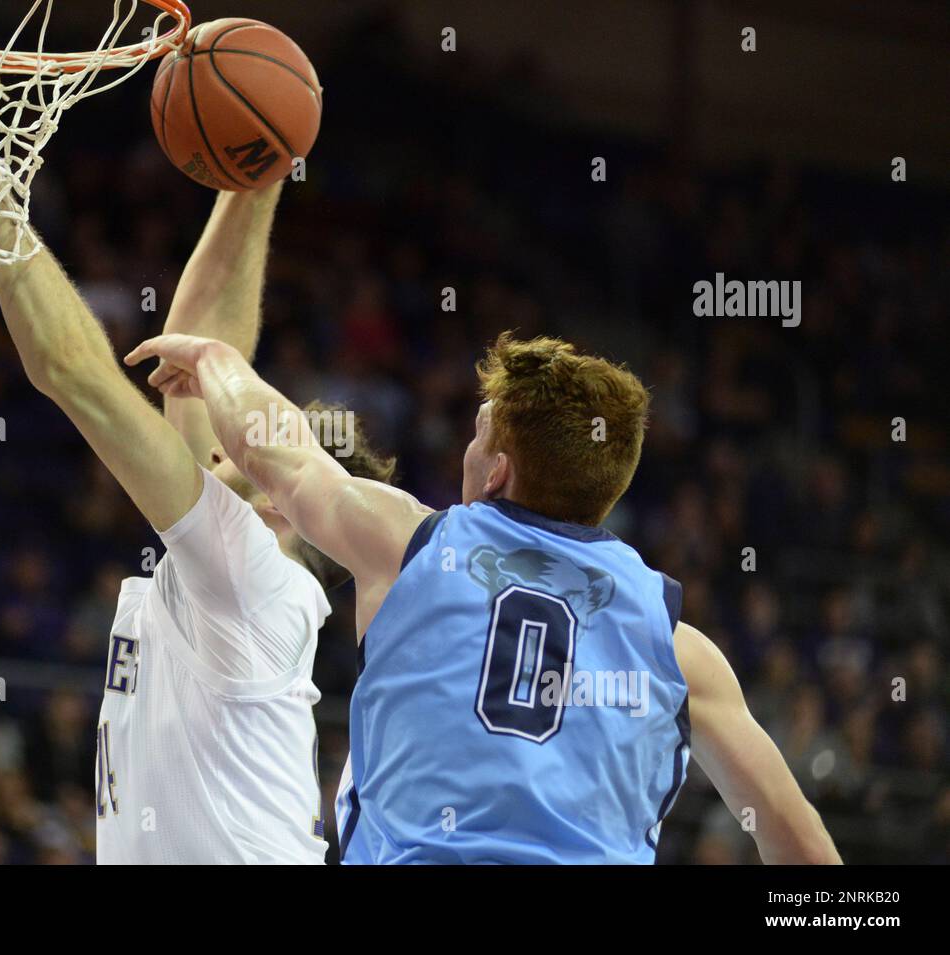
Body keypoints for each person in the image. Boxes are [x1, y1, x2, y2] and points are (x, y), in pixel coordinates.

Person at [124, 330, 842, 864]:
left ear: (497, 471)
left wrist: (215, 359)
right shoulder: (681, 649)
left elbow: (271, 449)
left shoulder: (409, 546)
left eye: (477, 437)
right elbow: (799, 841)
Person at [0, 98, 393, 861]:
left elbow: (73, 373)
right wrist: (264, 160)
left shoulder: (247, 572)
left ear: (278, 499)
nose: (222, 434)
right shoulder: (248, 563)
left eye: (251, 442)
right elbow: (200, 342)